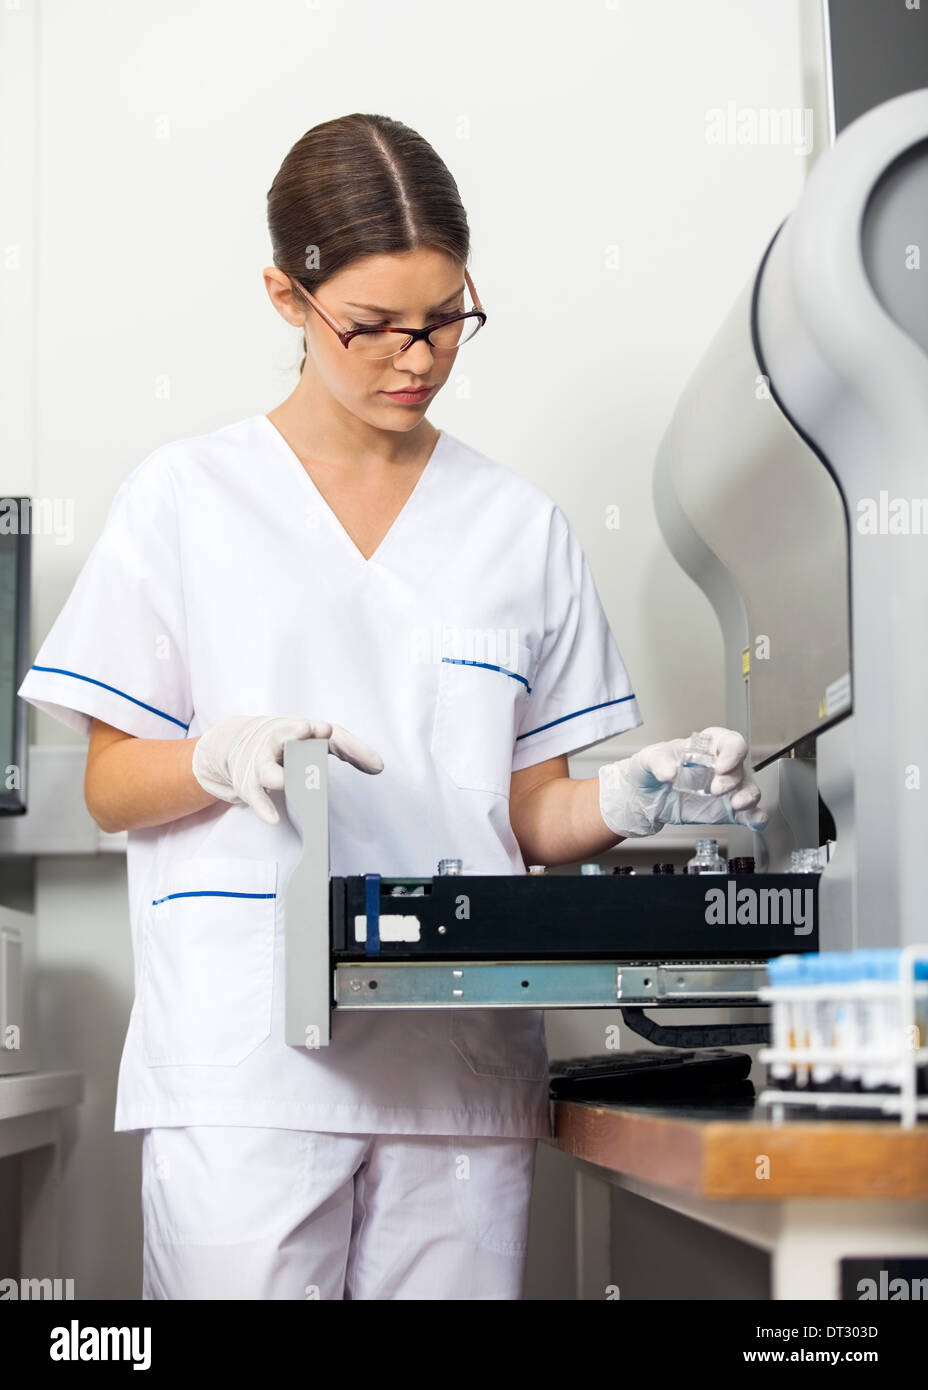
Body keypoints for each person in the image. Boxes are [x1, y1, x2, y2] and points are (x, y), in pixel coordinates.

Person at [17, 112, 766, 1301]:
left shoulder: (518, 526)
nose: (413, 357)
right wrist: (215, 755)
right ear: (285, 297)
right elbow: (109, 784)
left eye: (445, 319)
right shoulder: (185, 500)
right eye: (371, 327)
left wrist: (630, 792)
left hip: (455, 1075)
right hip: (246, 1064)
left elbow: (531, 814)